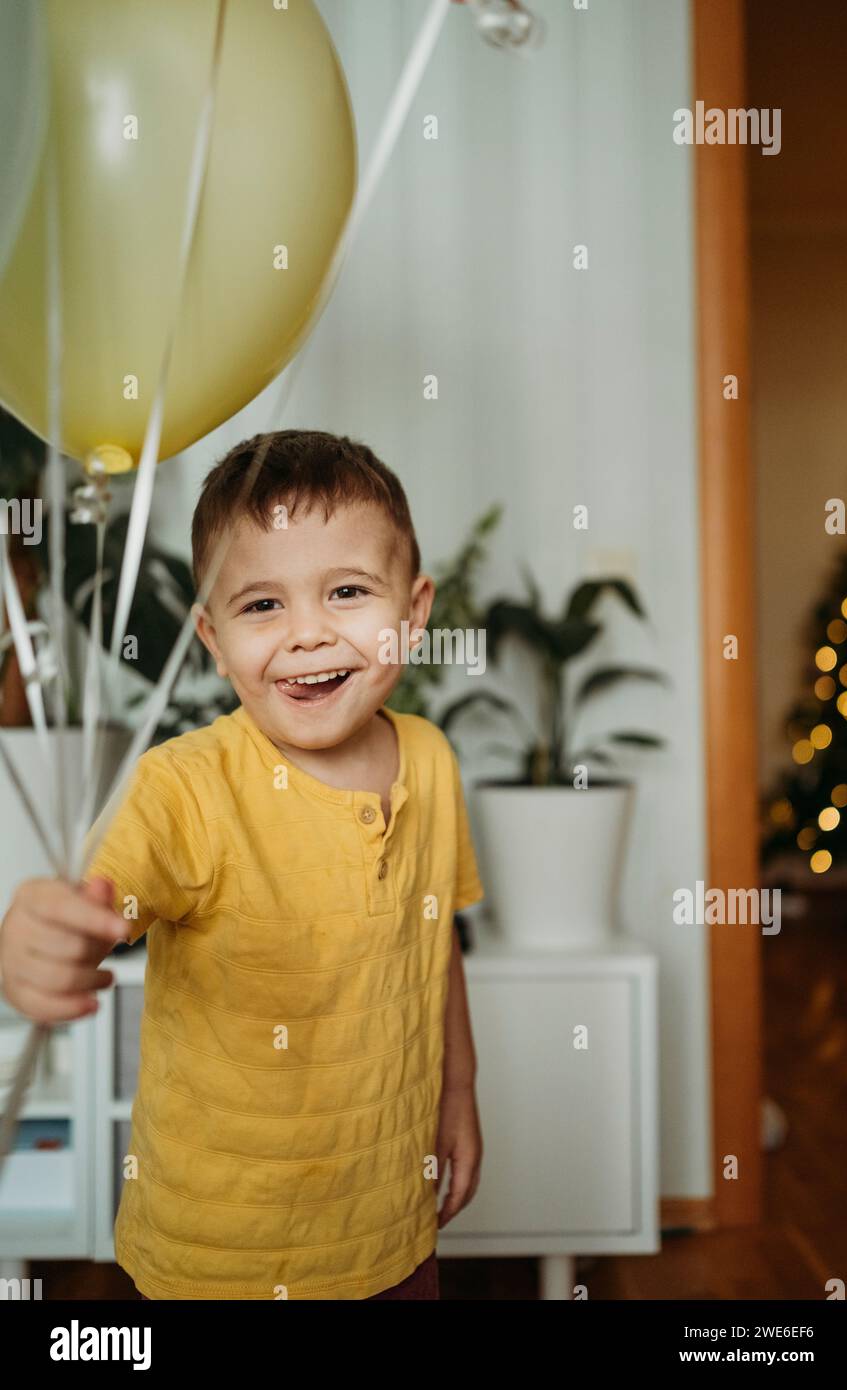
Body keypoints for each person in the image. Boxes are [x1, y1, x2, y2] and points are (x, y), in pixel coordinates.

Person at [0, 430, 485, 1300]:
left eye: (345, 591)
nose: (306, 635)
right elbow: (95, 909)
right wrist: (33, 938)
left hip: (392, 1232)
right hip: (218, 1256)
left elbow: (434, 934)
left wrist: (461, 1091)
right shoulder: (183, 787)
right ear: (213, 638)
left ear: (413, 616)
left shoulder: (433, 760)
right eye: (261, 606)